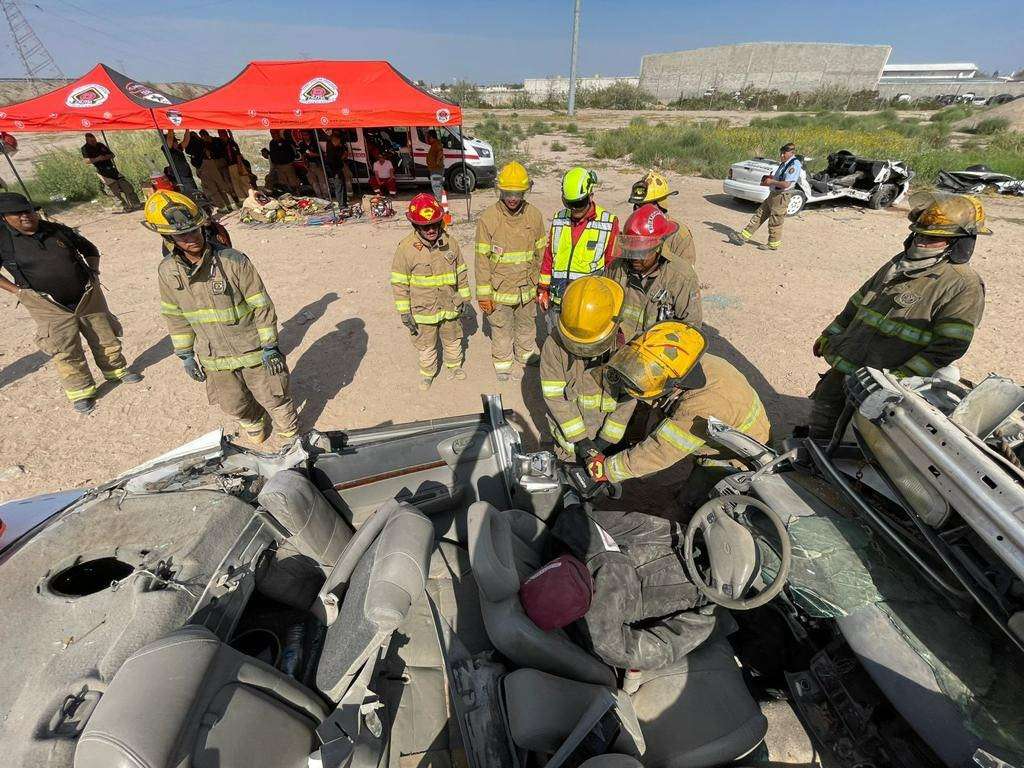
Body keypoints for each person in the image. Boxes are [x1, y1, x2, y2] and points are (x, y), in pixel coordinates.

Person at [809, 192, 988, 439]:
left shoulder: (962, 284)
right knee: (824, 412)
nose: (921, 242)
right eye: (920, 234)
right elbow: (858, 303)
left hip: (886, 380)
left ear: (958, 243)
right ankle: (813, 449)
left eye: (933, 237)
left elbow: (949, 346)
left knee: (862, 436)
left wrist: (899, 378)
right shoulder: (898, 264)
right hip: (849, 361)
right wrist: (830, 334)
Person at [144, 191, 299, 446]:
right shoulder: (167, 272)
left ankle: (291, 437)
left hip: (253, 350)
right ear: (168, 238)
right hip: (214, 356)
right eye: (182, 235)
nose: (192, 238)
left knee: (274, 396)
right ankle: (253, 421)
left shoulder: (233, 261)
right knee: (233, 403)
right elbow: (175, 315)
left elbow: (261, 305)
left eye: (195, 230)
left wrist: (270, 346)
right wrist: (185, 355)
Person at [599, 322, 770, 508]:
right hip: (726, 424)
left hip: (736, 458)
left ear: (677, 385)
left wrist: (607, 470)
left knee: (691, 505)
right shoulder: (684, 364)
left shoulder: (702, 405)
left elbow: (661, 450)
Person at [0, 192, 141, 413]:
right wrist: (18, 291)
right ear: (4, 217)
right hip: (46, 306)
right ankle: (82, 392)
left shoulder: (56, 230)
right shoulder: (3, 241)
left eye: (28, 210)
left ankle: (117, 371)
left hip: (87, 296)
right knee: (64, 348)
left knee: (104, 335)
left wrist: (93, 272)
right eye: (17, 213)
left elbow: (90, 249)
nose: (26, 215)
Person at [540, 502, 717, 670]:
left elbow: (625, 649)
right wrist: (609, 569)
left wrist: (608, 571)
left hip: (592, 625)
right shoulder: (673, 534)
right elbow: (573, 521)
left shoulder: (704, 615)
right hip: (569, 567)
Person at [540, 275, 636, 462]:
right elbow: (555, 397)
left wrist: (604, 441)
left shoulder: (627, 346)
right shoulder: (553, 346)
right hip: (569, 443)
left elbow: (628, 399)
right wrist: (580, 441)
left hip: (609, 441)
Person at [474, 161, 546, 381]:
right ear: (500, 190)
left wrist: (542, 285)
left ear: (525, 191)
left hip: (527, 288)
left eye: (517, 193)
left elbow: (542, 254)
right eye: (508, 193)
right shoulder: (488, 218)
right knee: (501, 327)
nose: (513, 198)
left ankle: (525, 354)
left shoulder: (534, 215)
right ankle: (503, 361)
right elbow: (482, 260)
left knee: (527, 324)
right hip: (500, 289)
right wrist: (484, 294)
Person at [391, 193, 470, 390]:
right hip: (423, 310)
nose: (432, 230)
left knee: (452, 339)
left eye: (435, 224)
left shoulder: (451, 243)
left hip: (450, 305)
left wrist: (465, 300)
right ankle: (428, 373)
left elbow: (461, 272)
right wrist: (404, 312)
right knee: (426, 345)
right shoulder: (406, 249)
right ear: (416, 226)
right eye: (426, 227)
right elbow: (399, 283)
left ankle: (454, 366)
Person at [610, 203, 702, 342]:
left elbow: (690, 330)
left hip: (657, 356)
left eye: (641, 252)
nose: (635, 258)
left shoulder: (681, 277)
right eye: (631, 251)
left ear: (658, 248)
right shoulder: (616, 268)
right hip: (618, 352)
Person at [538, 166, 618, 312]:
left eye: (579, 203)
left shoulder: (609, 223)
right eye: (569, 204)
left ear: (591, 196)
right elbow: (549, 256)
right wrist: (543, 289)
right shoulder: (558, 219)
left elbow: (612, 265)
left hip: (588, 305)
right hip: (558, 300)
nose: (574, 209)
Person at [734, 142, 801, 251]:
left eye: (784, 153)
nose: (781, 155)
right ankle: (743, 237)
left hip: (781, 197)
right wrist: (769, 180)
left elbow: (786, 184)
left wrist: (771, 182)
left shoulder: (794, 165)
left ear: (792, 153)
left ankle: (772, 244)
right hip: (773, 195)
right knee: (759, 215)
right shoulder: (785, 162)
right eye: (781, 153)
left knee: (775, 221)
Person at [627, 170, 697, 266]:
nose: (639, 211)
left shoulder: (679, 235)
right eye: (637, 206)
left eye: (646, 206)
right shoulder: (634, 228)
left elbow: (686, 275)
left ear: (661, 205)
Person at [80, 133, 140, 213]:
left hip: (112, 169)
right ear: (87, 140)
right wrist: (98, 159)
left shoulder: (100, 145)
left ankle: (136, 204)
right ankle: (124, 207)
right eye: (91, 141)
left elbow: (112, 155)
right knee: (114, 191)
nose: (94, 141)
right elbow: (86, 161)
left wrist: (105, 157)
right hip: (102, 172)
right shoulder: (85, 148)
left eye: (94, 139)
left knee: (126, 186)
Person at [183, 129, 236, 212]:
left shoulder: (191, 145)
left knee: (212, 187)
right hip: (211, 163)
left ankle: (222, 207)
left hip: (203, 167)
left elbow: (186, 149)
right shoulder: (202, 142)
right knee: (220, 184)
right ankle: (229, 204)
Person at [218, 130, 254, 202]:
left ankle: (252, 198)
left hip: (237, 164)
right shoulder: (223, 144)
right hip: (230, 166)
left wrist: (240, 166)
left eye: (222, 134)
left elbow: (237, 155)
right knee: (236, 183)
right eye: (220, 134)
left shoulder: (231, 143)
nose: (221, 136)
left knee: (244, 181)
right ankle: (243, 200)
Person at [161, 131, 199, 197]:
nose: (177, 142)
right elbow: (170, 137)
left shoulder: (178, 149)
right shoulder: (168, 150)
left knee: (195, 193)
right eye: (175, 141)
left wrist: (187, 130)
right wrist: (170, 128)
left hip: (187, 176)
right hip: (181, 178)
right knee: (191, 195)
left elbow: (186, 141)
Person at [300, 131, 329, 199]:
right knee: (313, 182)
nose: (305, 136)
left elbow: (321, 154)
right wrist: (304, 164)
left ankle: (326, 196)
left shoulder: (315, 143)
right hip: (309, 165)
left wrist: (314, 154)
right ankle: (319, 196)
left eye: (306, 135)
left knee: (322, 181)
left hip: (317, 164)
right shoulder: (302, 144)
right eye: (304, 135)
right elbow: (302, 155)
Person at [324, 133, 351, 206]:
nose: (339, 142)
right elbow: (333, 162)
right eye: (338, 141)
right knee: (339, 188)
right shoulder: (330, 150)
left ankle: (344, 203)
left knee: (343, 187)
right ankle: (341, 205)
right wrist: (342, 157)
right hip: (335, 171)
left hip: (339, 168)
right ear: (335, 140)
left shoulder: (337, 147)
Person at [426, 130, 445, 201]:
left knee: (436, 185)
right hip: (435, 169)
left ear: (431, 137)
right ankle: (440, 199)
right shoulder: (435, 144)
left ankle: (439, 201)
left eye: (428, 137)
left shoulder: (436, 144)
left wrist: (437, 163)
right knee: (437, 185)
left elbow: (440, 153)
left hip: (436, 170)